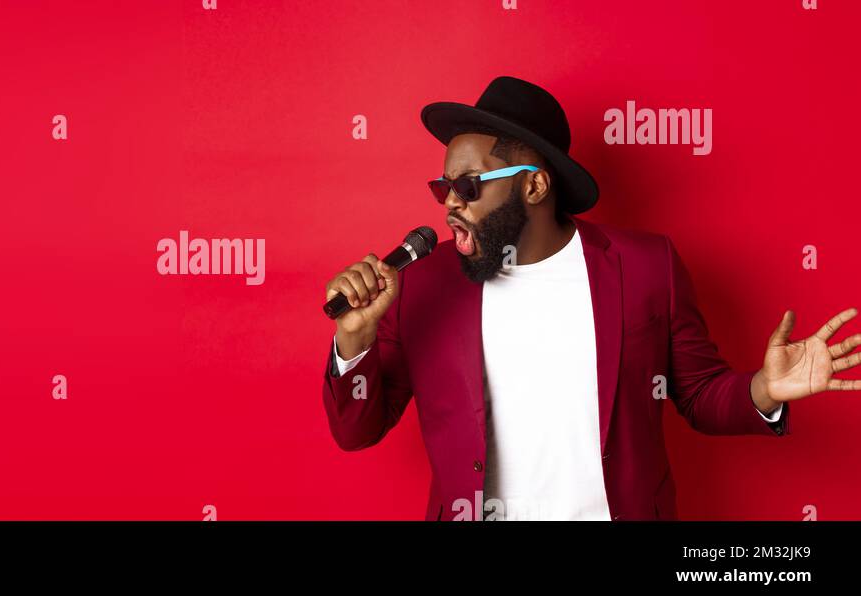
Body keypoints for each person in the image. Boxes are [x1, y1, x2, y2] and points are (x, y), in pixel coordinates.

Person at [321, 76, 861, 520]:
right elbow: (356, 432)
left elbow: (698, 395)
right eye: (443, 188)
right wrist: (355, 340)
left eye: (468, 186)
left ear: (534, 186)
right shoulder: (424, 283)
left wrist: (764, 390)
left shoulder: (646, 266)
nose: (449, 206)